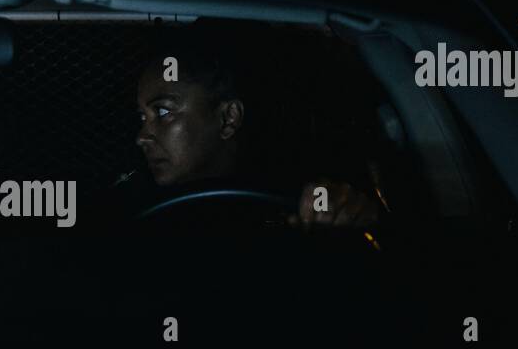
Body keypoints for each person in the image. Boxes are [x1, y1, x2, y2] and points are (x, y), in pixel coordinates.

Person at [129, 31, 383, 228]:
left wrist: (346, 214)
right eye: (142, 117)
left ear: (228, 118)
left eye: (163, 112)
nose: (142, 136)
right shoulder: (132, 205)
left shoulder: (297, 198)